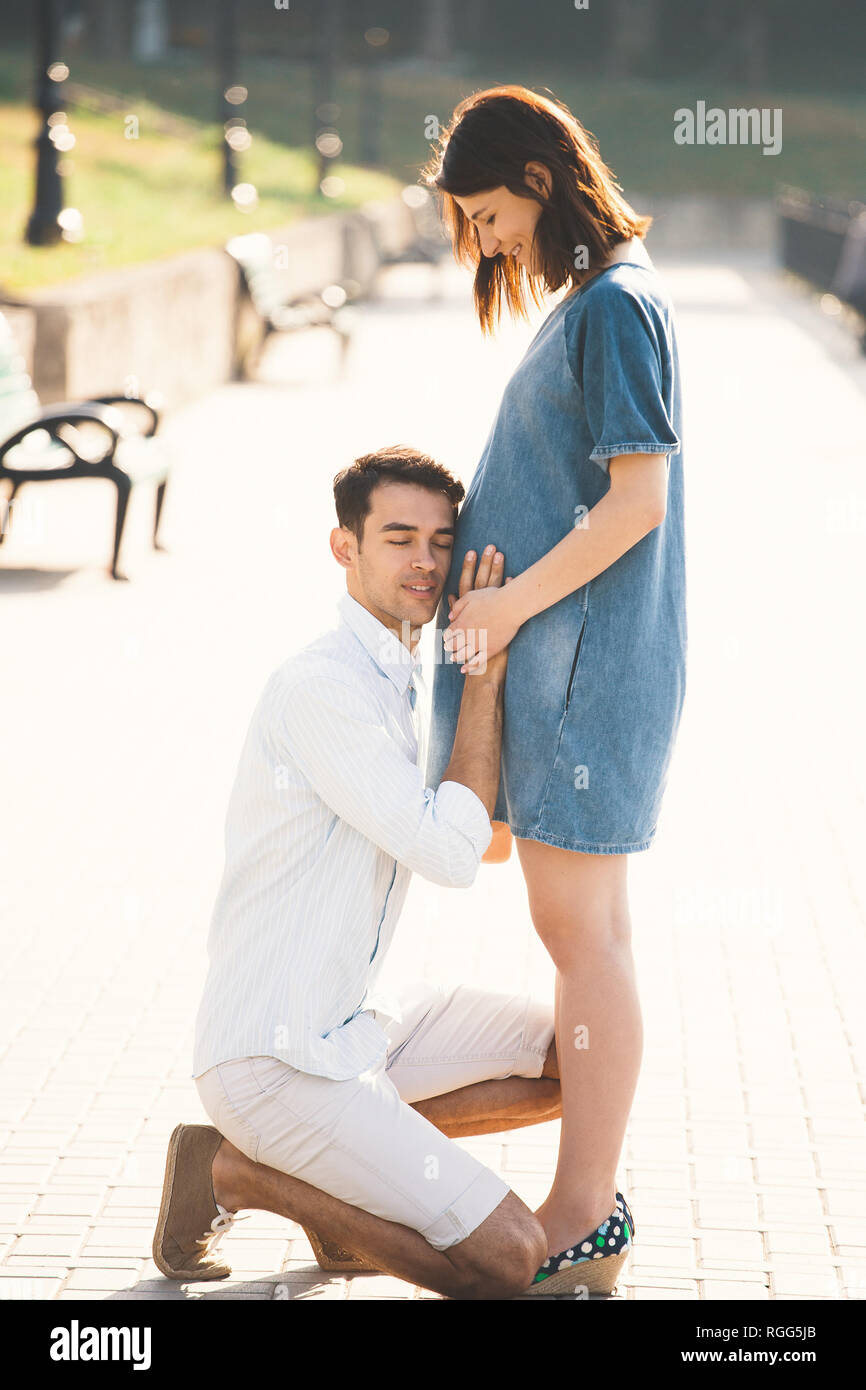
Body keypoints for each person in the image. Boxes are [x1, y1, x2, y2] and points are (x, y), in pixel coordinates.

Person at [153, 446, 582, 1301]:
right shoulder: (324, 689)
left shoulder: (402, 674)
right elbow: (454, 854)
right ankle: (242, 1173)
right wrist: (486, 671)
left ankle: (338, 1177)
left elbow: (475, 836)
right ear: (344, 548)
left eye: (439, 540)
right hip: (275, 1063)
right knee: (509, 1260)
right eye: (397, 538)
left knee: (577, 1057)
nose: (424, 561)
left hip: (361, 1030)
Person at [423, 85, 686, 1295]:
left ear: (536, 179)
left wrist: (507, 603)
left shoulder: (617, 304)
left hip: (581, 666)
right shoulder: (596, 301)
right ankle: (587, 1210)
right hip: (568, 665)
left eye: (483, 216)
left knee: (581, 940)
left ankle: (581, 1215)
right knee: (587, 935)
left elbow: (638, 502)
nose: (482, 244)